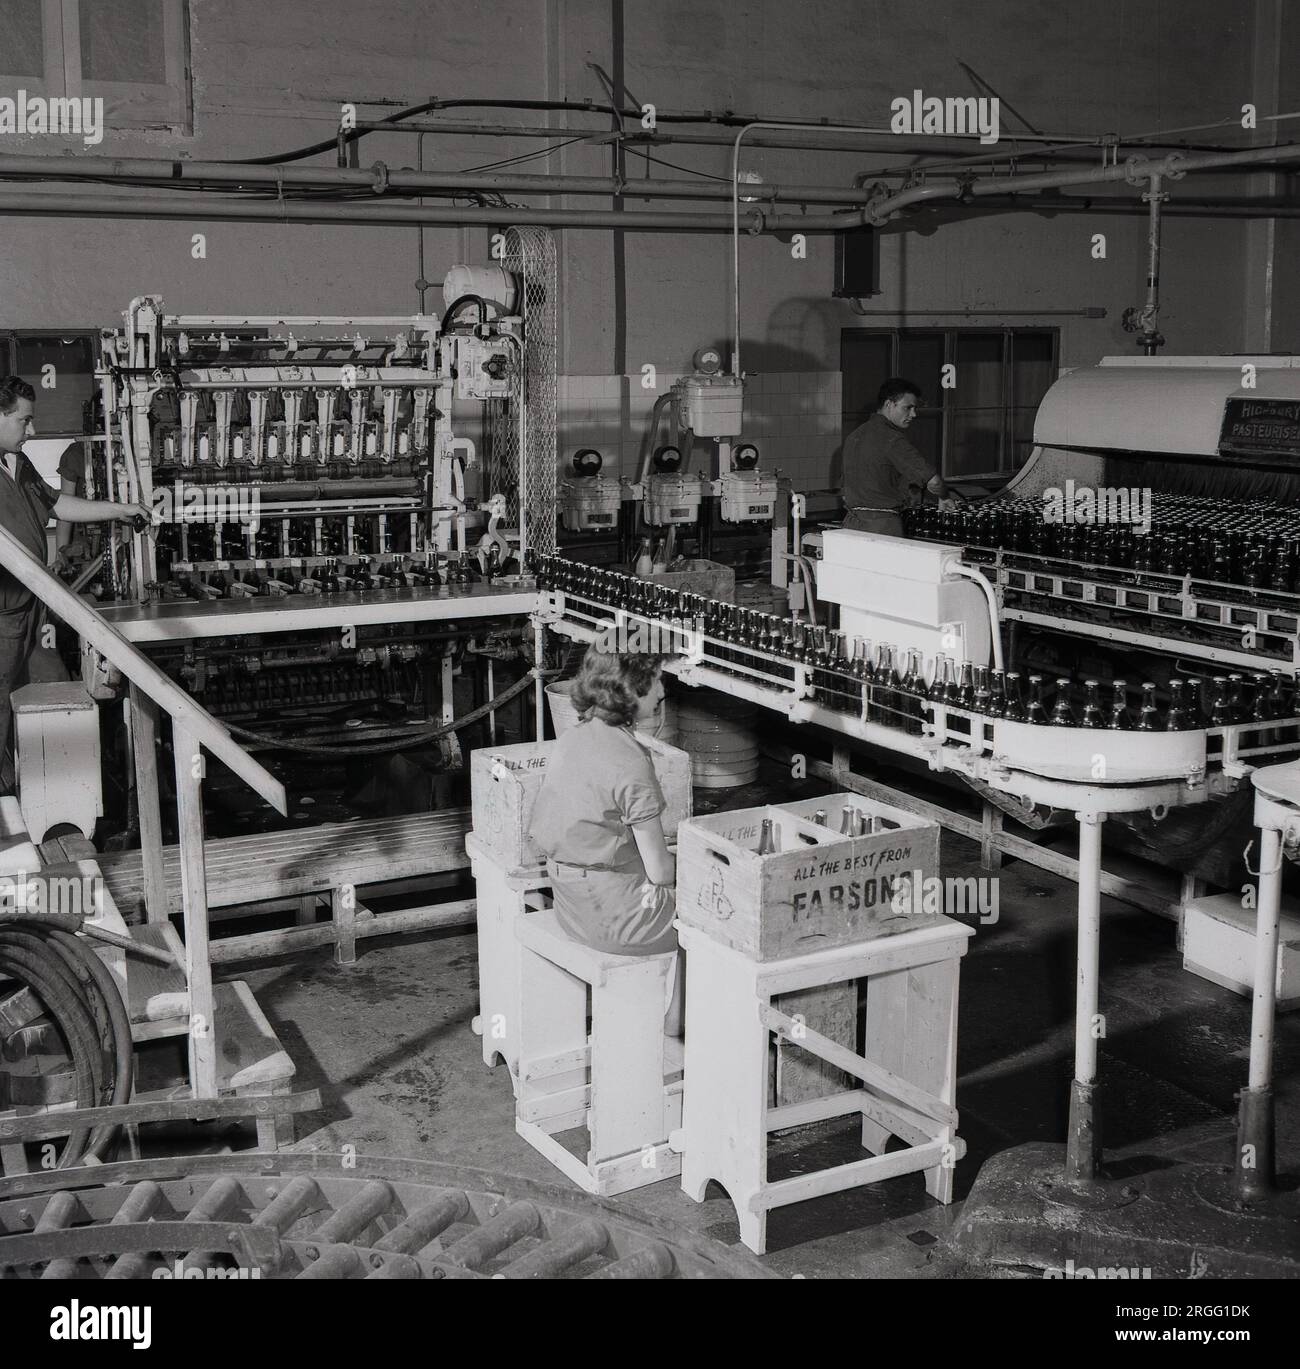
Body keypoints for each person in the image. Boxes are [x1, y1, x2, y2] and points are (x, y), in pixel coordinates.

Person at [0, 376, 149, 786]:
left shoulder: (17, 463)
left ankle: (17, 794)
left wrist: (117, 509)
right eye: (23, 421)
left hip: (28, 607)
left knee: (28, 703)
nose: (32, 431)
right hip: (3, 613)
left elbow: (55, 504)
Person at [528, 647, 684, 1034]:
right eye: (655, 680)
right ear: (630, 692)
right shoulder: (631, 762)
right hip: (614, 917)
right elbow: (661, 872)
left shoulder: (574, 737)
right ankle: (677, 1020)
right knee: (712, 918)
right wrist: (698, 863)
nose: (662, 687)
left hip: (571, 903)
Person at [841, 377, 952, 535]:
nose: (913, 414)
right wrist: (945, 497)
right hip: (882, 526)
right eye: (908, 408)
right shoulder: (892, 439)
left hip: (851, 525)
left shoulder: (854, 436)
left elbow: (845, 491)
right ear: (888, 404)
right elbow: (934, 482)